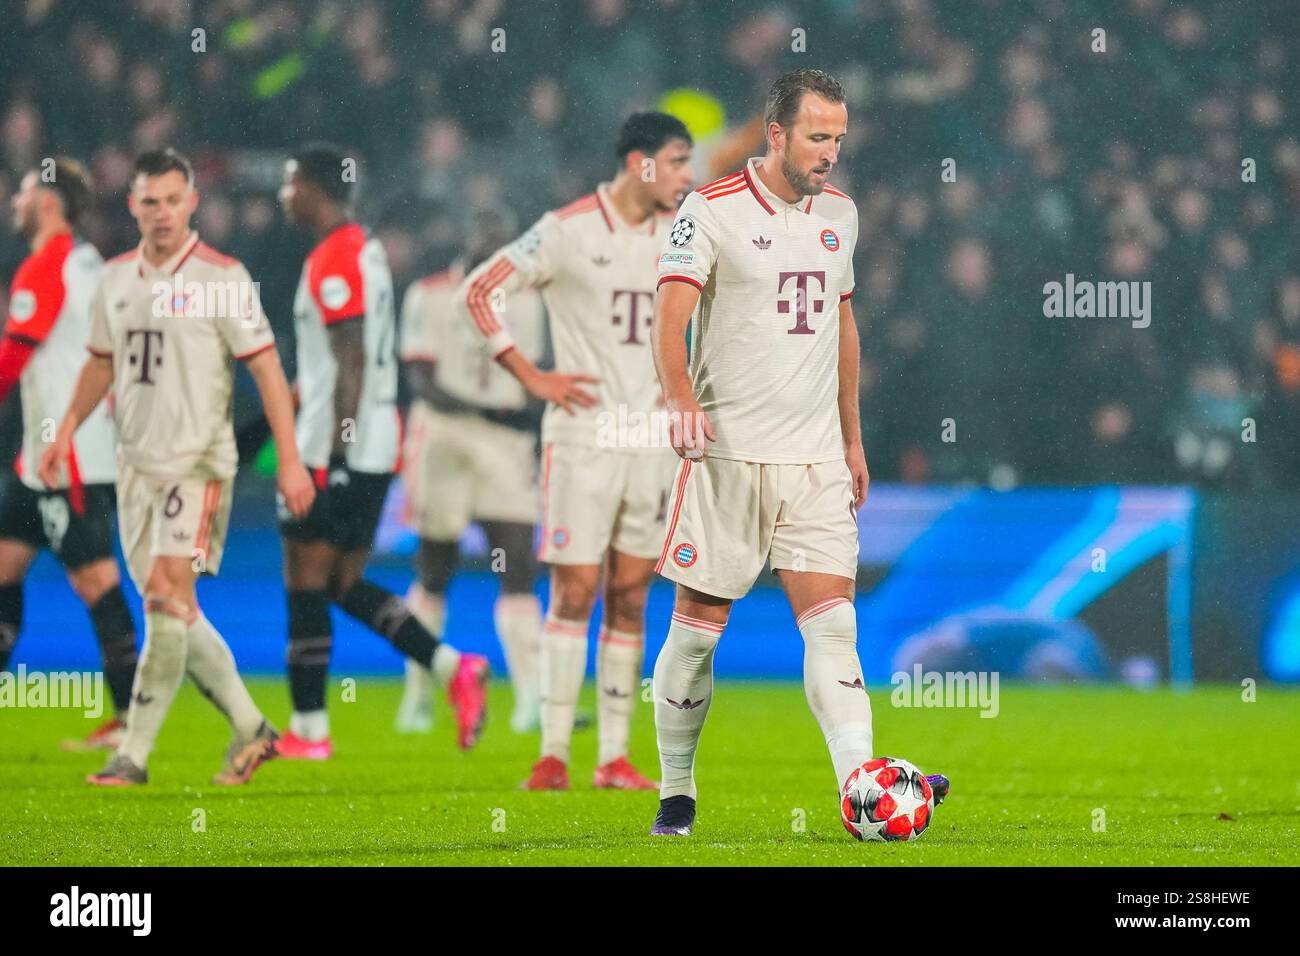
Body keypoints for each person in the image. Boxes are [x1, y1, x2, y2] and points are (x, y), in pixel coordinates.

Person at [647, 70, 950, 836]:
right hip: (729, 457)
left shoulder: (840, 215)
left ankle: (862, 786)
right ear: (774, 133)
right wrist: (680, 399)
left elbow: (843, 330)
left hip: (815, 460)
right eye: (818, 136)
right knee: (694, 635)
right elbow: (669, 316)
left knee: (833, 628)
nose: (830, 153)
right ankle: (676, 791)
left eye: (839, 138)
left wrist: (851, 436)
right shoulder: (707, 212)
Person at [40, 147, 315, 786]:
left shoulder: (223, 277)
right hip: (136, 470)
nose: (162, 213)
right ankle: (251, 728)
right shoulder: (115, 280)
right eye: (149, 201)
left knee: (166, 595)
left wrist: (291, 461)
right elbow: (100, 363)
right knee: (173, 608)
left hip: (197, 466)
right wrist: (62, 436)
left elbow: (267, 368)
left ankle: (131, 755)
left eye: (173, 200)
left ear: (192, 203)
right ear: (132, 205)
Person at [457, 113, 694, 790]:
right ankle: (553, 751)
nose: (686, 176)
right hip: (584, 437)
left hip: (650, 440)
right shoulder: (566, 230)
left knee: (629, 592)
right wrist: (532, 375)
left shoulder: (684, 238)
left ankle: (613, 758)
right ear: (640, 164)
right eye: (677, 161)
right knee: (575, 588)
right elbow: (480, 291)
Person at [276, 144, 488, 759]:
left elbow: (349, 356)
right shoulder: (364, 249)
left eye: (291, 184)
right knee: (342, 582)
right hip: (374, 444)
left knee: (305, 579)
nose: (285, 195)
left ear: (315, 189)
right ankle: (452, 667)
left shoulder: (336, 255)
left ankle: (310, 730)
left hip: (336, 447)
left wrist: (336, 457)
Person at [0, 158, 137, 751]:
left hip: (67, 455)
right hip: (46, 454)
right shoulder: (87, 262)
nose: (15, 201)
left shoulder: (48, 265)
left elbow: (12, 358)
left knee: (96, 580)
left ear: (49, 204)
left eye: (25, 191)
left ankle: (135, 718)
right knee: (3, 566)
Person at [396, 208, 546, 734]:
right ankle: (418, 696)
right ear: (469, 247)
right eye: (489, 250)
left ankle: (532, 701)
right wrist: (490, 409)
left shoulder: (527, 303)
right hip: (444, 438)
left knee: (519, 567)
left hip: (505, 446)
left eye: (504, 252)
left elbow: (533, 375)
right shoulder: (429, 294)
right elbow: (420, 379)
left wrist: (532, 418)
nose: (497, 260)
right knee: (435, 569)